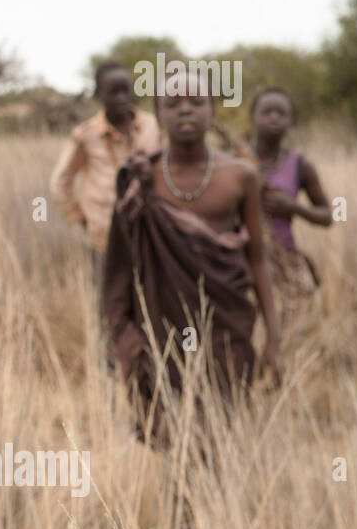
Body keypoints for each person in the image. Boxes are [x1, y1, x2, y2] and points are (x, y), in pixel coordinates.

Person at [101, 67, 280, 448]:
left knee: (220, 430)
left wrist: (274, 339)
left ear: (213, 112)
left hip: (225, 327)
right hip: (160, 329)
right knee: (169, 433)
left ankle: (218, 487)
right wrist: (121, 333)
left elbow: (258, 260)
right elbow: (118, 268)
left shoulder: (241, 176)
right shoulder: (138, 179)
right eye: (173, 103)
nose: (185, 109)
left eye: (197, 102)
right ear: (158, 115)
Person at [239, 87, 331, 334]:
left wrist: (293, 207)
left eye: (282, 113)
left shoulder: (300, 165)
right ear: (253, 117)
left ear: (291, 120)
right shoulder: (235, 160)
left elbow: (327, 216)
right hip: (240, 261)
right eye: (267, 112)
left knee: (290, 331)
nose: (274, 118)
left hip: (285, 261)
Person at [50, 61, 162, 256]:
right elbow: (60, 182)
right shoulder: (85, 135)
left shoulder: (152, 125)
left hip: (150, 232)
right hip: (105, 236)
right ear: (98, 94)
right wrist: (81, 219)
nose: (121, 98)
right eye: (113, 92)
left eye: (125, 90)